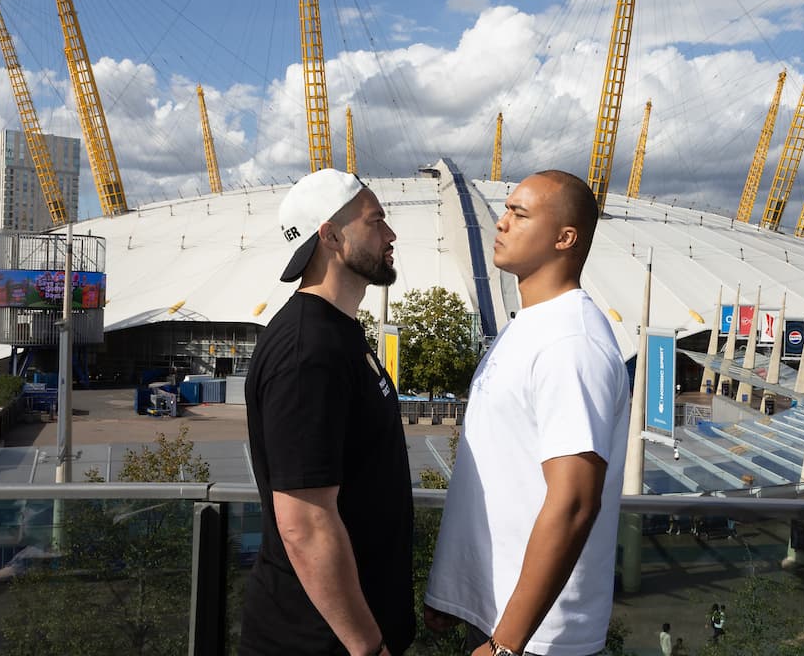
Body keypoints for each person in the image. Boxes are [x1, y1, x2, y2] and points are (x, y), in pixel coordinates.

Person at [423, 171, 630, 656]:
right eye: (506, 209)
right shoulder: (528, 327)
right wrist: (454, 590)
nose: (501, 222)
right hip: (496, 617)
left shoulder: (572, 342)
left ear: (564, 237)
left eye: (519, 213)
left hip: (537, 640)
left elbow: (575, 503)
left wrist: (506, 644)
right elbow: (501, 474)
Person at [240, 169, 414, 655]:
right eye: (376, 221)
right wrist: (366, 645)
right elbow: (304, 524)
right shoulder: (307, 351)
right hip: (320, 640)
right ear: (332, 236)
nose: (391, 234)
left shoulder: (338, 333)